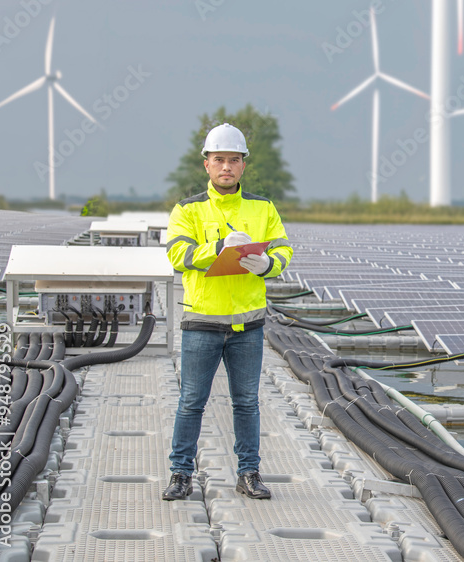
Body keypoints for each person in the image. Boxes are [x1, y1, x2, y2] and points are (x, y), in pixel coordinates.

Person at [162, 123, 293, 501]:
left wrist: (267, 263)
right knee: (191, 402)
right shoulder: (187, 209)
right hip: (202, 321)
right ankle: (181, 474)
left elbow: (284, 249)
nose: (226, 167)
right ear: (206, 164)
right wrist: (219, 248)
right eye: (219, 159)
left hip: (248, 325)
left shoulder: (263, 208)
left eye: (233, 160)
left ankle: (249, 473)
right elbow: (178, 254)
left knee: (247, 402)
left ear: (243, 166)